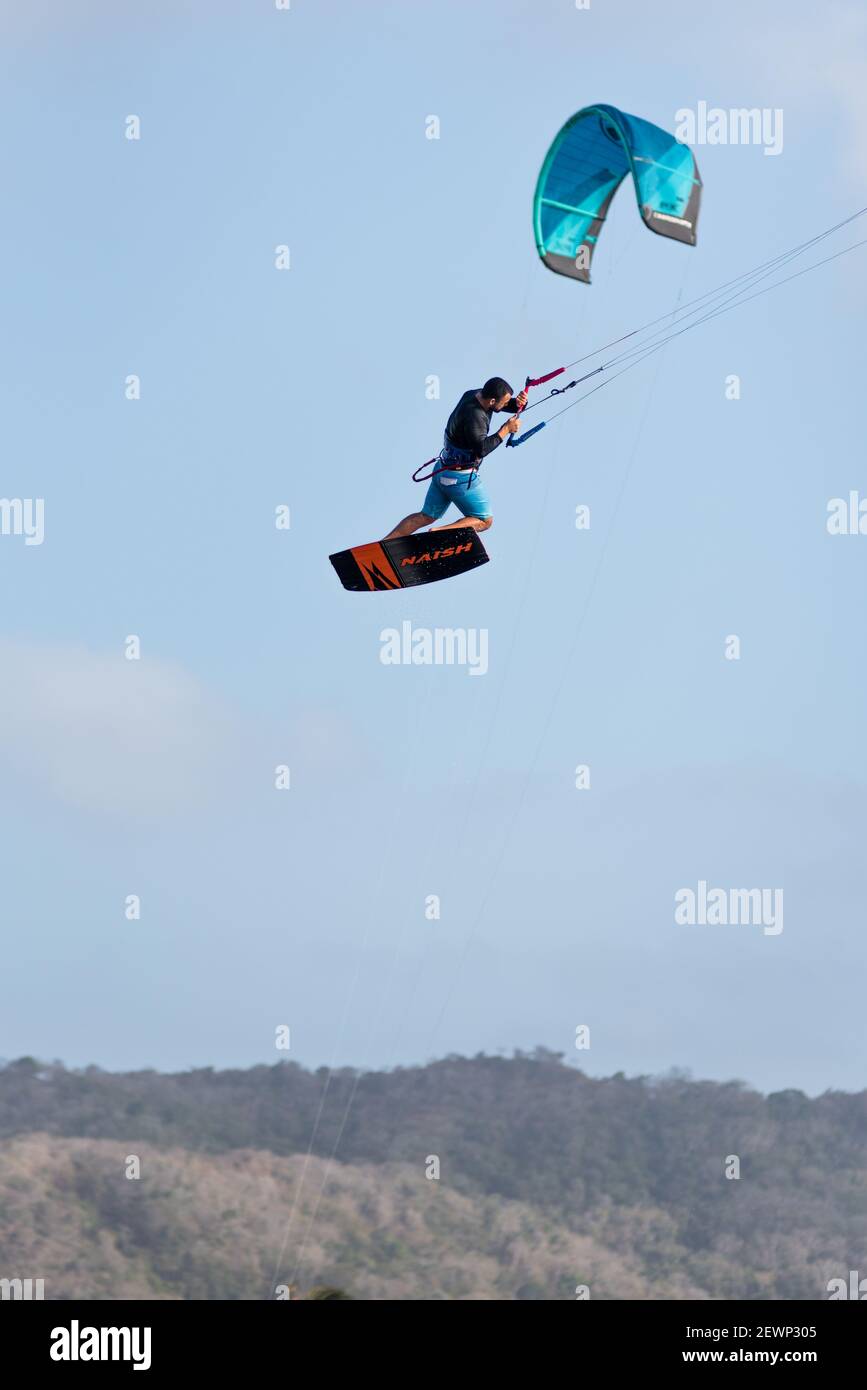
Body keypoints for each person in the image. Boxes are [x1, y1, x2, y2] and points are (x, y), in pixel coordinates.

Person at [383, 377, 528, 540]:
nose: (506, 404)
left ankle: (384, 543)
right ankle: (438, 534)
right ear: (493, 400)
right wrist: (505, 429)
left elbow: (500, 406)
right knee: (485, 521)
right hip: (459, 479)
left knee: (426, 516)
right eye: (505, 401)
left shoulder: (474, 395)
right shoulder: (475, 417)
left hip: (441, 471)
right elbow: (482, 449)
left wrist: (518, 403)